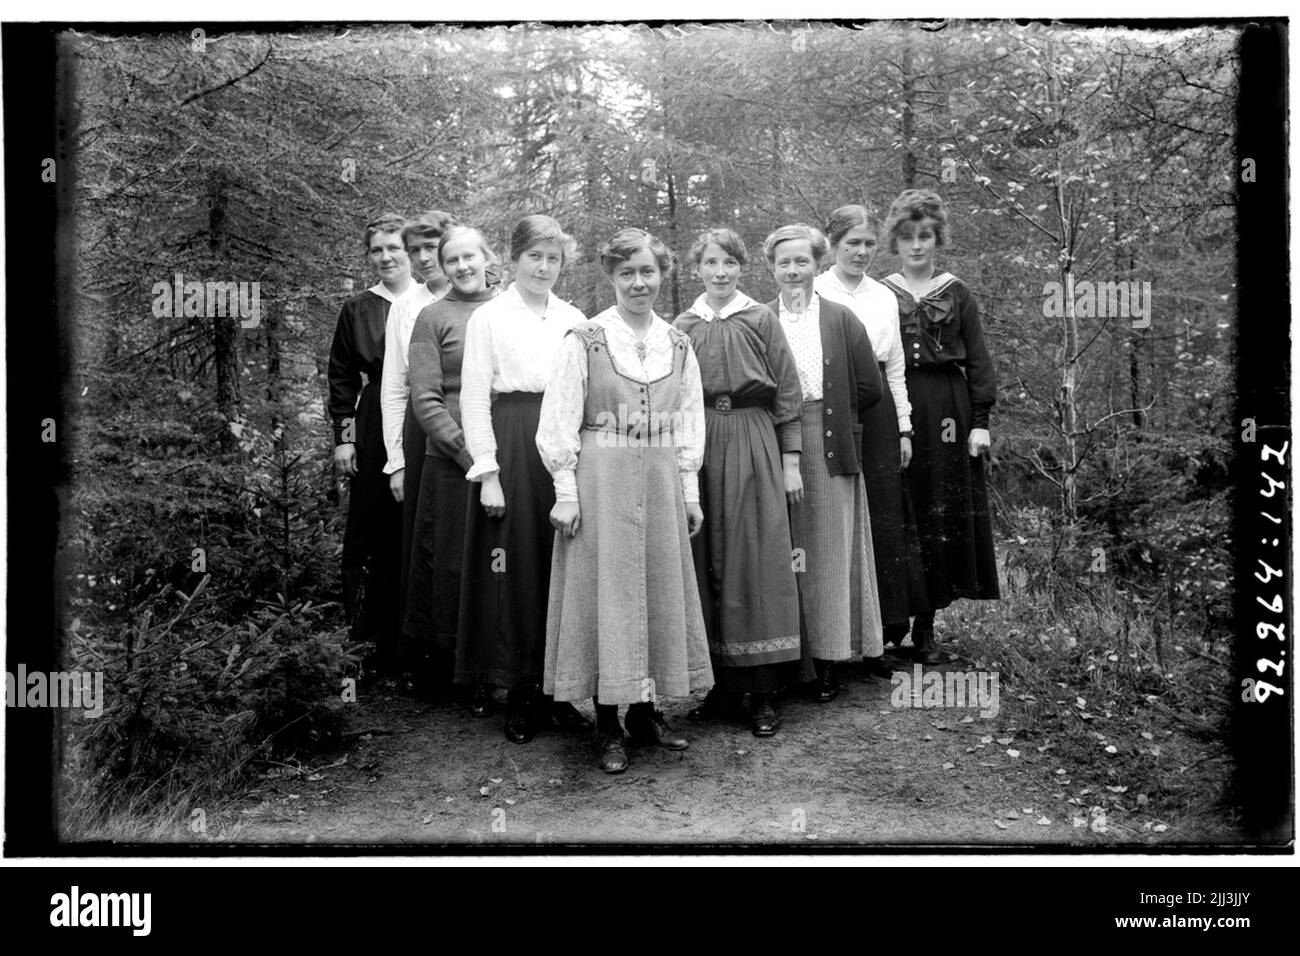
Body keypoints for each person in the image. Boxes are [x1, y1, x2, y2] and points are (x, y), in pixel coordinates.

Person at [537, 227, 713, 774]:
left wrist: (690, 492)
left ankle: (644, 712)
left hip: (660, 477)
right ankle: (607, 723)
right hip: (601, 479)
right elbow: (558, 420)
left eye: (648, 272)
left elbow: (688, 423)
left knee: (654, 590)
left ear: (663, 275)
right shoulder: (584, 339)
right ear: (611, 278)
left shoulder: (678, 343)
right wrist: (566, 492)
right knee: (607, 593)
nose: (639, 283)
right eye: (626, 273)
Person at [457, 215, 591, 742]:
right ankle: (519, 693)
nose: (543, 267)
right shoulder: (489, 318)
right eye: (534, 256)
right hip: (513, 441)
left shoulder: (575, 318)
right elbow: (472, 397)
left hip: (564, 445)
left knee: (560, 563)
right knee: (514, 568)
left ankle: (559, 692)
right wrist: (488, 472)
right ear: (512, 260)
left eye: (553, 258)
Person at [672, 228, 804, 737]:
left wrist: (790, 459)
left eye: (729, 262)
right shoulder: (683, 326)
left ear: (741, 268)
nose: (720, 272)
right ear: (697, 269)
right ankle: (721, 686)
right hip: (701, 443)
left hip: (753, 437)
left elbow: (787, 392)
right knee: (709, 557)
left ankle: (762, 690)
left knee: (755, 555)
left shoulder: (760, 317)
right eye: (710, 263)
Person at [763, 224, 884, 700]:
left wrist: (831, 409)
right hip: (775, 443)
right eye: (783, 263)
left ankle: (830, 659)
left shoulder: (840, 318)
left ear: (817, 264)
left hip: (830, 442)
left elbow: (870, 388)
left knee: (829, 553)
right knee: (786, 550)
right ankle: (789, 655)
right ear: (771, 269)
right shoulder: (759, 319)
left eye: (802, 261)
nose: (793, 271)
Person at [879, 189, 999, 663]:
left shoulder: (957, 291)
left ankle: (927, 626)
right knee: (899, 508)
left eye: (924, 236)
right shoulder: (879, 292)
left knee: (939, 513)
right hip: (895, 407)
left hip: (948, 409)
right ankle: (892, 623)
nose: (916, 246)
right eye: (907, 237)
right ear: (896, 240)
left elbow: (980, 361)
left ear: (937, 239)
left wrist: (981, 422)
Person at [815, 205, 930, 669]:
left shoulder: (883, 295)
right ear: (833, 244)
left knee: (882, 516)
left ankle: (879, 635)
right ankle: (831, 637)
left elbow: (897, 366)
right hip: (830, 403)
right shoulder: (814, 289)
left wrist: (904, 426)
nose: (861, 252)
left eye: (868, 244)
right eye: (851, 244)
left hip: (880, 410)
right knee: (836, 514)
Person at [403, 226, 498, 692]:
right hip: (452, 461)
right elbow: (425, 399)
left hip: (510, 455)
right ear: (443, 268)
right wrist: (470, 455)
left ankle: (506, 666)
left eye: (469, 257)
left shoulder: (509, 309)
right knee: (454, 564)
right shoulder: (432, 317)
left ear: (487, 257)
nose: (462, 268)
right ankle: (463, 672)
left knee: (501, 560)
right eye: (452, 261)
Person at [327, 213, 412, 674]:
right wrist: (345, 438)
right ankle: (363, 643)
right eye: (376, 250)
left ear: (412, 251)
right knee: (369, 527)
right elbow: (341, 374)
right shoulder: (359, 308)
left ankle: (418, 644)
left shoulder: (430, 300)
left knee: (417, 524)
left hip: (426, 412)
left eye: (393, 247)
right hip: (375, 414)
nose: (385, 257)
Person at [378, 209, 459, 677]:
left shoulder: (478, 297)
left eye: (432, 248)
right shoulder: (406, 306)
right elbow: (393, 386)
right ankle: (430, 656)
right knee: (424, 540)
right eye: (415, 251)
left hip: (470, 422)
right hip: (419, 425)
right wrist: (397, 461)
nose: (425, 259)